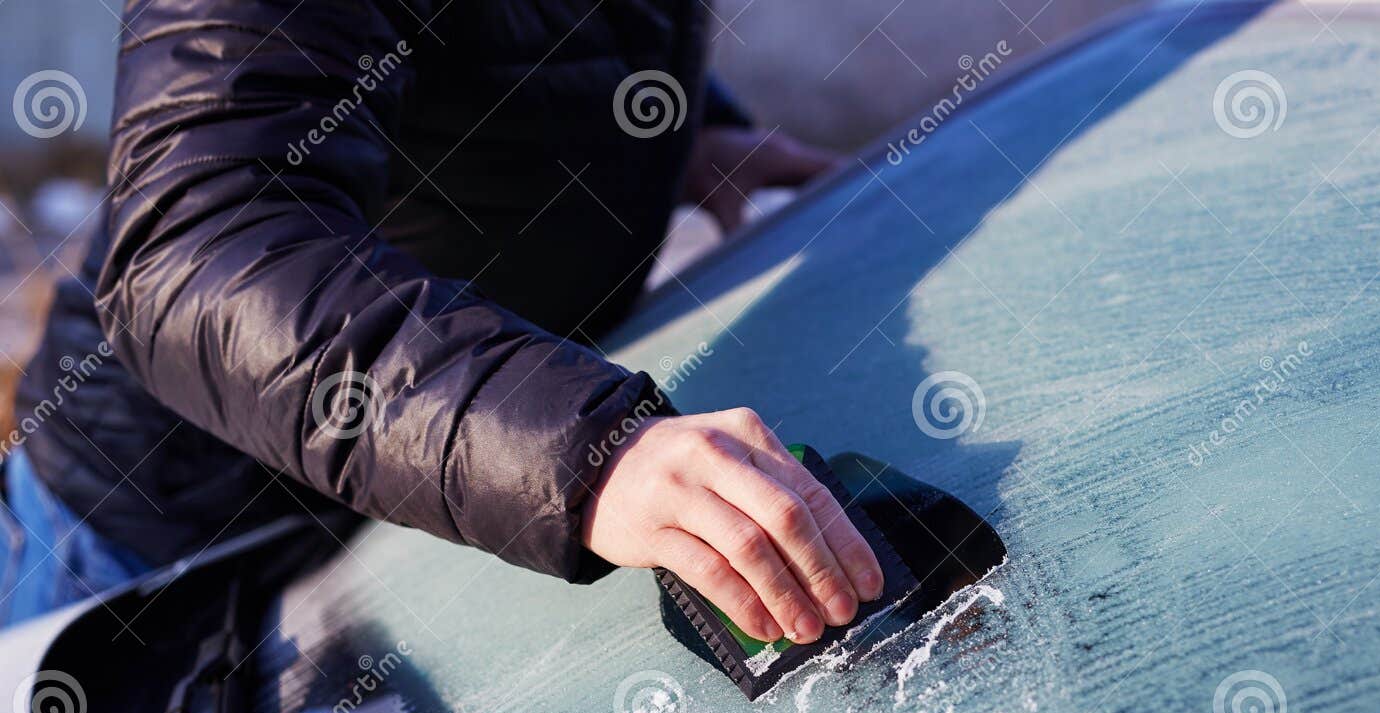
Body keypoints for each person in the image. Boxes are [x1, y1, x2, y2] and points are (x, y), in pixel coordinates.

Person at [2, 0, 883, 641]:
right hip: (154, 552)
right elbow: (196, 252)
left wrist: (677, 133)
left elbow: (514, 43)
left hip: (418, 527)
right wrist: (578, 449)